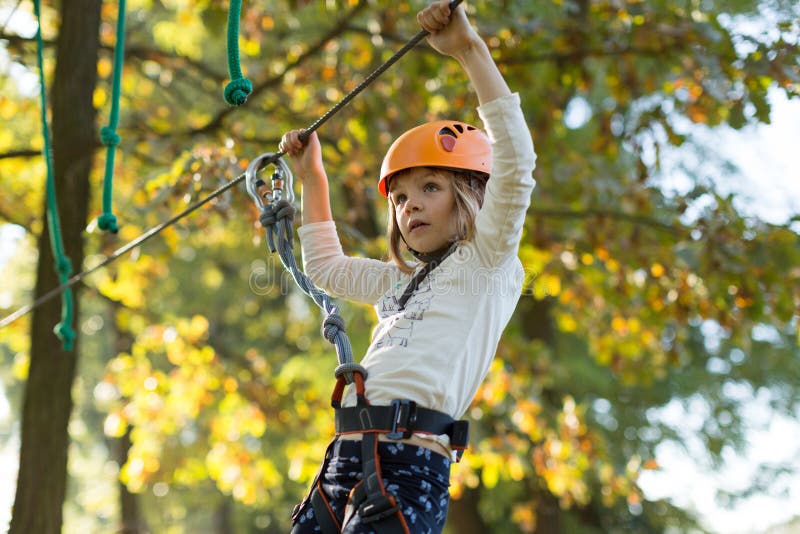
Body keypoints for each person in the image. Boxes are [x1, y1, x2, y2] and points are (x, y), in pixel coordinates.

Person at [280, 1, 536, 532]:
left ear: (470, 195)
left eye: (430, 187)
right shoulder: (399, 280)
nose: (409, 205)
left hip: (408, 466)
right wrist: (313, 180)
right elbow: (325, 266)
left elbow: (515, 162)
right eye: (398, 197)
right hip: (340, 465)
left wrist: (469, 50)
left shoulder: (486, 262)